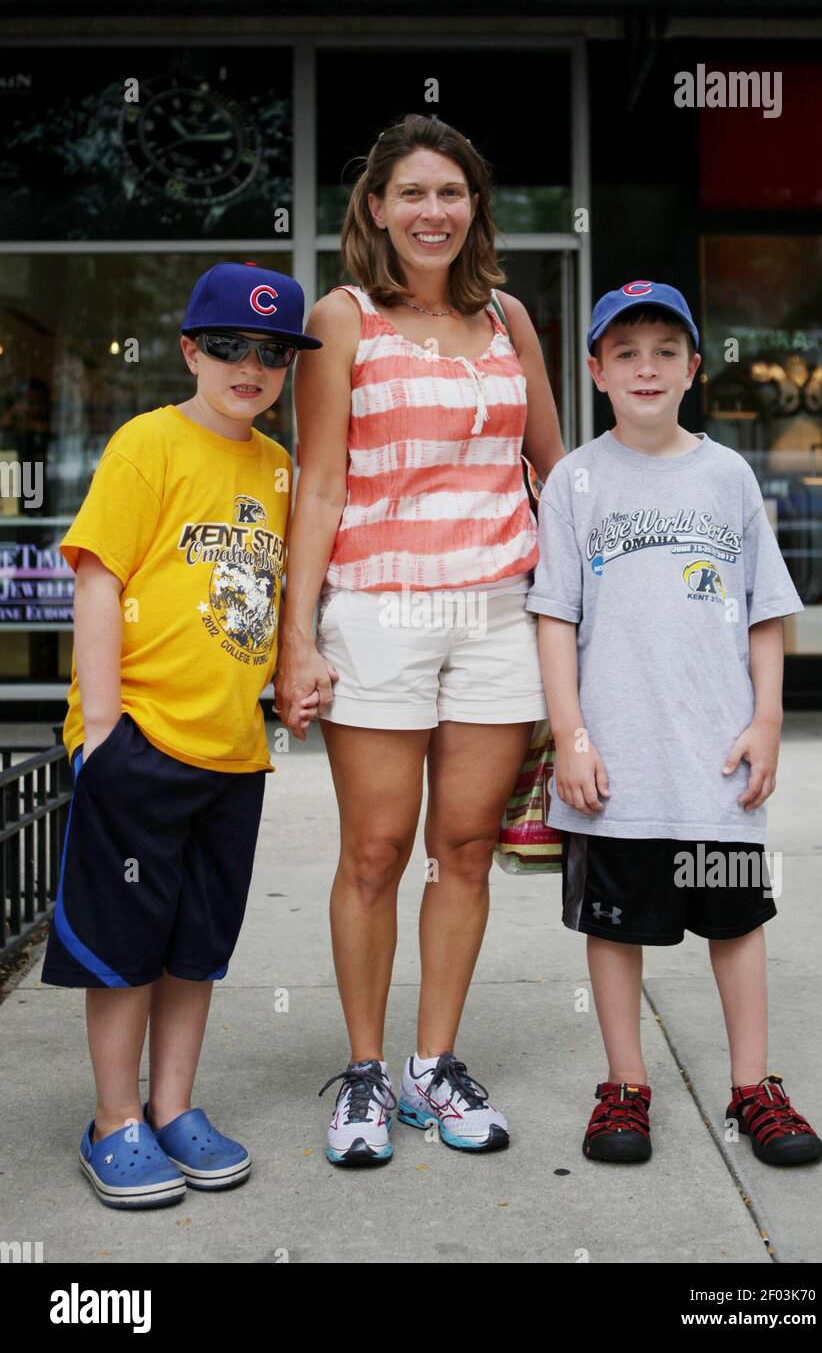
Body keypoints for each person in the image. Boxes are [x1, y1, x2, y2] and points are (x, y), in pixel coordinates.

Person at [274, 114, 566, 1165]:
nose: (432, 211)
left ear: (473, 207)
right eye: (412, 193)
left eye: (450, 192)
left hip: (495, 616)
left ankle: (431, 1065)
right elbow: (317, 481)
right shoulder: (341, 319)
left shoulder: (508, 319)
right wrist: (296, 637)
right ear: (376, 209)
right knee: (375, 852)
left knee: (463, 851)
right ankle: (362, 1072)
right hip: (377, 613)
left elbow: (554, 469)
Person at [40, 262, 322, 1207]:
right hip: (141, 744)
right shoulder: (146, 444)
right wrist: (106, 731)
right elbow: (97, 581)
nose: (252, 366)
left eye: (272, 352)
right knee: (125, 950)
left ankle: (172, 1108)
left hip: (231, 755)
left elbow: (275, 598)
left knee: (196, 946)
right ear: (192, 350)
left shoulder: (279, 466)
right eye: (232, 347)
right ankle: (113, 1119)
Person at [525, 280, 822, 1166]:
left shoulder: (727, 474)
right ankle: (625, 1084)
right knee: (616, 928)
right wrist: (571, 736)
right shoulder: (576, 480)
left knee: (736, 924)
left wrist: (768, 719)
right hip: (615, 765)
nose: (645, 368)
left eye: (664, 352)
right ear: (596, 369)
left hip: (715, 764)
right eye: (625, 353)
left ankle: (753, 1087)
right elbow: (554, 619)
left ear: (695, 367)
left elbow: (765, 611)